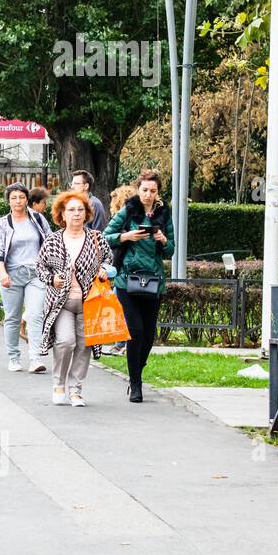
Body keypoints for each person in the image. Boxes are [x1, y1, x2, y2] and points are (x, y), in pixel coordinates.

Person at [35, 191, 115, 408]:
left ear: (87, 213)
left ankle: (76, 390)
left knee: (84, 345)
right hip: (61, 302)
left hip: (90, 301)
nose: (76, 214)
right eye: (71, 210)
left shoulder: (96, 238)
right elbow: (40, 267)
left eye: (80, 209)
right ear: (62, 213)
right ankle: (58, 384)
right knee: (65, 341)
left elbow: (109, 259)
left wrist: (106, 269)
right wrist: (52, 279)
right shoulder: (53, 240)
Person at [103, 169, 174, 403]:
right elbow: (106, 235)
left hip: (153, 281)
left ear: (158, 192)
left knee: (149, 336)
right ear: (138, 189)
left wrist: (163, 240)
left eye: (153, 191)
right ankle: (135, 384)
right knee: (135, 331)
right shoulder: (129, 210)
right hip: (127, 280)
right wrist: (127, 237)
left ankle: (137, 370)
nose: (148, 194)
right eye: (144, 190)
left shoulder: (164, 214)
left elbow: (171, 250)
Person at [0, 183, 52, 373]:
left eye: (21, 197)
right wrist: (3, 273)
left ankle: (35, 358)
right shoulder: (2, 223)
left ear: (27, 199)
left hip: (36, 274)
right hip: (11, 275)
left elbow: (50, 243)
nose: (18, 201)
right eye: (14, 198)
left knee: (35, 315)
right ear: (8, 201)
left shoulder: (37, 219)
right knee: (13, 317)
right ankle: (13, 357)